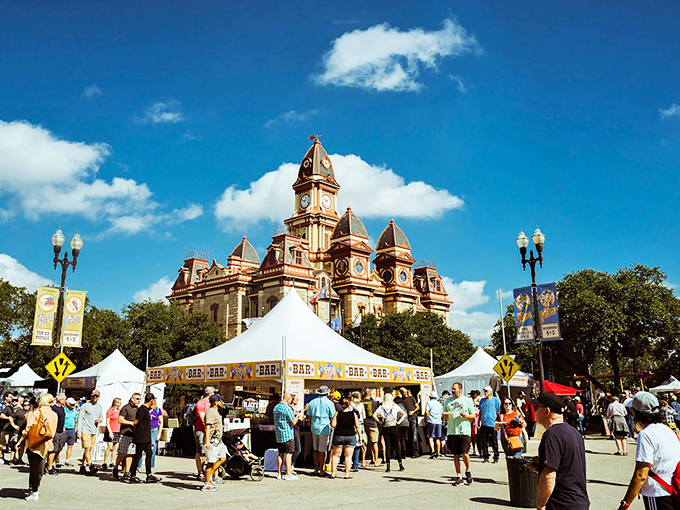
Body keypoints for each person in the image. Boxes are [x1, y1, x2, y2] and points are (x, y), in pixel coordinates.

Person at [618, 391, 680, 510]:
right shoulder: (667, 430)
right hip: (674, 490)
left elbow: (641, 474)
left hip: (657, 493)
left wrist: (625, 504)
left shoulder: (646, 434)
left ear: (636, 412)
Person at [531, 392, 590, 510]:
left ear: (546, 411)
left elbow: (549, 476)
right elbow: (567, 463)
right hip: (578, 501)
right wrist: (540, 463)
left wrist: (540, 505)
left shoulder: (551, 435)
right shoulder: (573, 432)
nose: (534, 412)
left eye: (537, 408)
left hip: (562, 503)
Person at [19, 393, 58, 501]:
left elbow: (28, 428)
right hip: (46, 443)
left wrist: (20, 440)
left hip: (34, 443)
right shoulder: (54, 414)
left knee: (34, 469)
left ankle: (34, 491)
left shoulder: (37, 412)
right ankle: (35, 488)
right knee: (40, 468)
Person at [443, 382, 475, 486]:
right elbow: (445, 414)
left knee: (465, 453)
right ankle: (458, 476)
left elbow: (473, 415)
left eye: (455, 389)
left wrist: (466, 416)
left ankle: (468, 470)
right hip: (452, 430)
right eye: (452, 389)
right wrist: (445, 415)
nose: (453, 391)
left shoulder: (467, 400)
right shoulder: (448, 401)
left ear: (460, 389)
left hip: (464, 430)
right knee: (455, 455)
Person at [128, 393, 162, 484]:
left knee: (149, 453)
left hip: (146, 436)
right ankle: (132, 476)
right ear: (151, 400)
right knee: (138, 455)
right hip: (141, 436)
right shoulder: (142, 410)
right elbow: (136, 422)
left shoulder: (146, 410)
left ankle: (149, 475)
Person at [305, 385, 337, 476]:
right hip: (324, 427)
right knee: (322, 450)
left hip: (314, 426)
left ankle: (316, 469)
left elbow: (309, 416)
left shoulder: (312, 402)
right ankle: (322, 470)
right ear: (327, 393)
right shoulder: (329, 403)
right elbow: (333, 416)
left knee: (315, 449)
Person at [374, 392, 407, 473]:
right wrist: (398, 422)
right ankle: (400, 464)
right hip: (394, 427)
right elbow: (404, 414)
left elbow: (374, 415)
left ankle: (388, 466)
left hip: (386, 428)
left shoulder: (382, 406)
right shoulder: (394, 406)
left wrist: (380, 422)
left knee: (387, 447)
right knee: (397, 446)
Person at [201, 394, 229, 491]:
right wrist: (207, 441)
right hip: (212, 441)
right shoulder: (211, 412)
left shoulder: (216, 412)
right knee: (210, 463)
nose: (221, 402)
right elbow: (207, 427)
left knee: (223, 458)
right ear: (216, 402)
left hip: (218, 441)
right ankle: (207, 483)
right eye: (220, 400)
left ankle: (209, 476)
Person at [331, 397, 361, 479]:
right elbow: (357, 426)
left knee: (336, 455)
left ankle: (333, 473)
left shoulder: (337, 413)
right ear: (349, 404)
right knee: (348, 456)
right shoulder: (353, 414)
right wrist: (360, 436)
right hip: (350, 436)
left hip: (339, 435)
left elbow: (333, 425)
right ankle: (347, 474)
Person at [273, 393, 301, 481]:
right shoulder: (287, 408)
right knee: (289, 453)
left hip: (278, 433)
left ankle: (279, 473)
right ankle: (288, 473)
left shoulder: (276, 407)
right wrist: (297, 416)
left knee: (280, 453)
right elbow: (293, 422)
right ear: (288, 399)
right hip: (287, 433)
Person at [113, 393, 141, 480]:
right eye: (137, 398)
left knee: (130, 453)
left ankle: (127, 471)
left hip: (133, 434)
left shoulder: (138, 409)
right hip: (125, 433)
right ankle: (116, 468)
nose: (138, 401)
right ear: (132, 399)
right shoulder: (126, 408)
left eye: (140, 399)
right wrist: (131, 423)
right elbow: (120, 420)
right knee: (122, 453)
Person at [76, 389, 103, 475]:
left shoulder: (99, 407)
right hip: (85, 429)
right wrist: (79, 432)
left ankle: (83, 466)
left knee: (89, 449)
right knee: (87, 448)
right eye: (93, 396)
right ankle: (91, 465)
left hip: (93, 430)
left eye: (97, 396)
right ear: (90, 396)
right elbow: (80, 418)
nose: (95, 397)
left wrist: (100, 420)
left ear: (99, 397)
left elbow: (101, 417)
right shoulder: (85, 406)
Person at [193, 386, 215, 481]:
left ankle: (206, 471)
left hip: (209, 430)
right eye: (213, 392)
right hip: (201, 429)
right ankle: (200, 472)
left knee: (207, 451)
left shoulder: (211, 403)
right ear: (209, 393)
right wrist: (207, 427)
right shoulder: (201, 403)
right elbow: (201, 417)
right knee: (201, 452)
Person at [137, 401, 163, 471]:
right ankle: (138, 466)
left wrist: (159, 434)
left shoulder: (157, 410)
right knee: (141, 449)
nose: (151, 405)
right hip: (145, 430)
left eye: (153, 404)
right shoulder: (144, 410)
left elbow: (161, 422)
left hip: (154, 430)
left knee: (152, 449)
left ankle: (150, 467)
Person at [478, 386, 501, 463]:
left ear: (490, 392)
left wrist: (498, 421)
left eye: (487, 391)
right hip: (484, 423)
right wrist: (479, 422)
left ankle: (496, 456)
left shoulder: (495, 400)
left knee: (494, 441)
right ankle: (486, 456)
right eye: (484, 391)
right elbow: (480, 411)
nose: (485, 393)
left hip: (493, 424)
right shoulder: (482, 400)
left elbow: (498, 411)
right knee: (484, 442)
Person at [45, 393, 66, 474]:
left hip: (61, 431)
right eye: (64, 399)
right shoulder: (53, 408)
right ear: (60, 400)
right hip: (55, 432)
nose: (65, 400)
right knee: (53, 450)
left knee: (59, 449)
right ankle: (49, 468)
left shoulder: (62, 408)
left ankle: (49, 464)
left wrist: (63, 428)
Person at [396, 387, 420, 458]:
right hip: (406, 420)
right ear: (400, 393)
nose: (405, 393)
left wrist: (413, 411)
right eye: (403, 392)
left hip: (413, 418)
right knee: (406, 436)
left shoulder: (411, 398)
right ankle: (408, 452)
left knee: (414, 435)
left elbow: (417, 407)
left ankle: (416, 452)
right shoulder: (400, 401)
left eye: (405, 392)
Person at [361, 389, 381, 466]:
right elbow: (378, 414)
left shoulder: (360, 403)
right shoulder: (374, 403)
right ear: (370, 395)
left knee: (364, 443)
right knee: (374, 442)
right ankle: (376, 460)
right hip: (372, 423)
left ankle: (363, 461)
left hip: (363, 423)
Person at [103, 397, 121, 470]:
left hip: (117, 430)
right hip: (110, 430)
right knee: (109, 447)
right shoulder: (110, 411)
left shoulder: (119, 411)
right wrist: (110, 431)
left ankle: (112, 461)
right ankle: (105, 461)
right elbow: (107, 422)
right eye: (119, 402)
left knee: (115, 447)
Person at [349, 391, 366, 471]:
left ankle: (350, 462)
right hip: (360, 424)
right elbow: (364, 416)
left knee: (351, 444)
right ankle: (356, 465)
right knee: (358, 444)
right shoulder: (361, 405)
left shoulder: (350, 405)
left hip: (351, 425)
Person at [424, 393, 443, 458]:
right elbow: (441, 413)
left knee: (430, 437)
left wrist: (426, 418)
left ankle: (432, 451)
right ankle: (438, 453)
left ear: (430, 397)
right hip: (438, 422)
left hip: (431, 421)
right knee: (438, 438)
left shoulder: (429, 403)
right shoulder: (439, 404)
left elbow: (426, 412)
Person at [63, 397, 78, 465]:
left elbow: (75, 419)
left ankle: (67, 460)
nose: (73, 406)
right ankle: (55, 460)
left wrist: (75, 427)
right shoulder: (64, 410)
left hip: (71, 429)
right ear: (68, 404)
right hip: (64, 429)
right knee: (60, 446)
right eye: (72, 404)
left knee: (70, 446)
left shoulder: (74, 410)